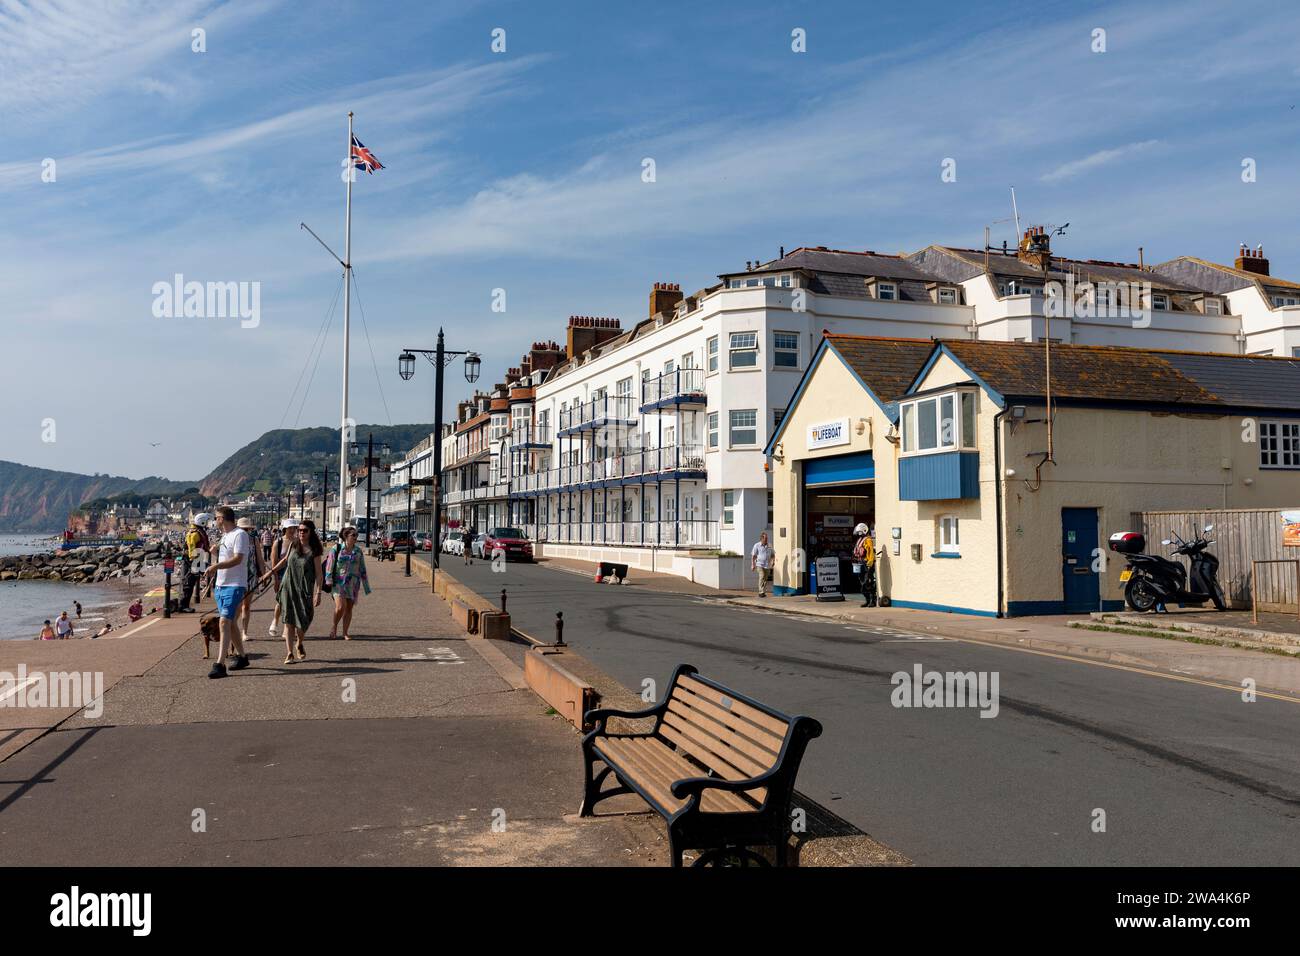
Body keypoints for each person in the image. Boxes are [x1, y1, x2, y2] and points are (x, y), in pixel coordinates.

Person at [262, 520, 323, 664]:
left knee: (303, 623)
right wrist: (269, 573)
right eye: (300, 530)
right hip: (288, 587)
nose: (301, 532)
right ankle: (289, 653)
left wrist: (318, 592)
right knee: (289, 621)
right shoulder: (293, 545)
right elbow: (284, 561)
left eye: (305, 530)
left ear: (311, 532)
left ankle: (299, 643)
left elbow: (319, 574)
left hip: (304, 590)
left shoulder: (315, 551)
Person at [203, 507, 250, 679]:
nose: (215, 520)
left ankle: (220, 664)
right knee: (230, 624)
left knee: (224, 622)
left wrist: (216, 566)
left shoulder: (240, 535)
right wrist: (215, 555)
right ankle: (243, 657)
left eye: (216, 517)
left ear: (222, 518)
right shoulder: (225, 536)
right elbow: (225, 559)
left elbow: (238, 559)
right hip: (221, 584)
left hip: (235, 584)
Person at [326, 526, 371, 640]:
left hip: (353, 584)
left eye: (356, 535)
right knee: (340, 607)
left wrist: (366, 586)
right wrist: (328, 579)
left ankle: (345, 632)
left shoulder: (358, 551)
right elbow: (330, 564)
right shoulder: (336, 549)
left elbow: (362, 568)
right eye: (353, 535)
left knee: (349, 608)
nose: (356, 537)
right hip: (338, 583)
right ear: (346, 536)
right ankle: (334, 627)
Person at [236, 517, 267, 646]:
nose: (245, 531)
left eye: (247, 529)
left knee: (246, 606)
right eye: (243, 529)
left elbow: (260, 558)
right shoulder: (235, 539)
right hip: (237, 575)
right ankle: (233, 629)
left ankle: (244, 632)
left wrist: (264, 574)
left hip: (251, 575)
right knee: (237, 607)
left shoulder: (254, 540)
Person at [267, 518, 296, 638]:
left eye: (294, 528)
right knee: (281, 601)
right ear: (285, 529)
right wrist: (276, 580)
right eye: (290, 528)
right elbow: (274, 562)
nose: (293, 530)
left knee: (292, 602)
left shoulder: (298, 541)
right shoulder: (278, 543)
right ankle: (275, 621)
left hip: (294, 574)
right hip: (281, 574)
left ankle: (287, 629)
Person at [853, 523, 877, 608]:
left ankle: (872, 601)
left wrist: (870, 562)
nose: (858, 533)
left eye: (859, 532)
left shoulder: (868, 540)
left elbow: (870, 552)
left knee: (868, 582)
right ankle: (867, 600)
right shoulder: (860, 539)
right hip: (860, 563)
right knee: (862, 582)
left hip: (867, 563)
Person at [751, 531, 775, 598]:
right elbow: (753, 556)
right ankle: (761, 591)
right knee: (762, 576)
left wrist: (773, 561)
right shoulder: (757, 545)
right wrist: (753, 564)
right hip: (759, 564)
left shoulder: (769, 545)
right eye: (765, 538)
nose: (767, 540)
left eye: (767, 538)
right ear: (761, 539)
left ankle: (762, 591)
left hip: (767, 565)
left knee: (765, 578)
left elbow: (773, 555)